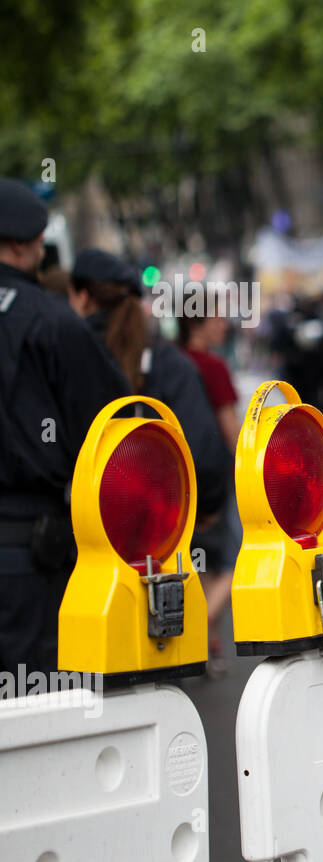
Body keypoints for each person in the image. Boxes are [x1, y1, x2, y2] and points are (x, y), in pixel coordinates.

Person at [0, 181, 128, 675]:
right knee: (41, 723)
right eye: (36, 242)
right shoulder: (52, 322)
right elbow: (114, 429)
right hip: (30, 563)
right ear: (18, 244)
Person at [68, 250, 232, 527]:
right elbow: (208, 450)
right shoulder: (174, 363)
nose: (224, 325)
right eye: (218, 317)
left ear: (84, 298)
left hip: (86, 529)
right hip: (163, 526)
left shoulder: (66, 353)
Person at [176, 303, 241, 671]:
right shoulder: (213, 367)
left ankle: (203, 647)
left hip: (180, 475)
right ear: (197, 323)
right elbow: (230, 428)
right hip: (216, 478)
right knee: (234, 563)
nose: (224, 324)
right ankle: (197, 632)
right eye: (217, 318)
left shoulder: (169, 362)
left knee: (198, 563)